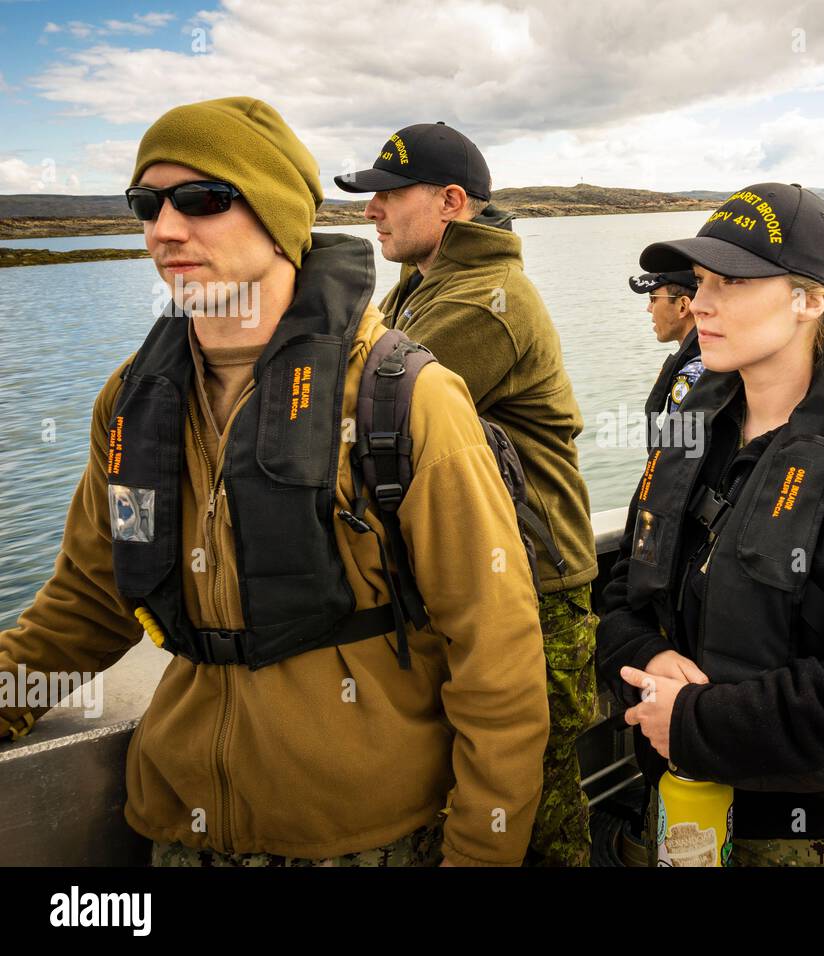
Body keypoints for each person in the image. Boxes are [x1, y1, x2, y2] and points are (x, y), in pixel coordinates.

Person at [0, 98, 550, 867]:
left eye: (202, 200)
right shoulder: (131, 401)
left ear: (279, 213)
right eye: (145, 204)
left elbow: (497, 658)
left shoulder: (404, 397)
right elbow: (90, 602)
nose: (164, 229)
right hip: (175, 826)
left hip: (365, 839)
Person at [597, 183, 824, 867]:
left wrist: (696, 722)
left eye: (733, 281)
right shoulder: (692, 435)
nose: (701, 302)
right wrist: (645, 660)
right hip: (683, 803)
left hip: (815, 834)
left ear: (809, 300)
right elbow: (625, 586)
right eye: (701, 280)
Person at [336, 123, 598, 866]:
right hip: (488, 575)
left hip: (533, 588)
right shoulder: (430, 286)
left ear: (450, 202)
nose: (371, 211)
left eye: (388, 195)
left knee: (538, 813)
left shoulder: (482, 302)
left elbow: (356, 413)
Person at [628, 269, 703, 449]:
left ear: (683, 306)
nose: (648, 308)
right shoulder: (717, 359)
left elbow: (680, 458)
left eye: (653, 298)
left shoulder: (693, 375)